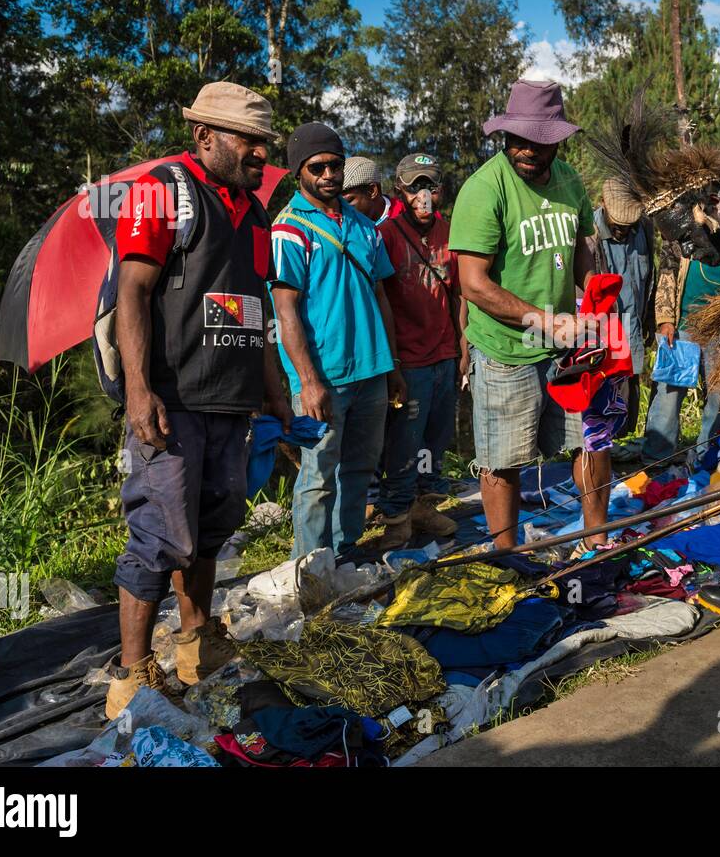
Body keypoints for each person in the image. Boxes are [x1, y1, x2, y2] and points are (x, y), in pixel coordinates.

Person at [106, 81, 292, 718]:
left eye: (264, 143)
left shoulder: (257, 214)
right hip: (172, 398)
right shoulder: (163, 192)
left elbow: (258, 306)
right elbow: (133, 292)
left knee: (212, 528)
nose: (259, 154)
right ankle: (130, 675)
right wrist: (139, 392)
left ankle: (196, 641)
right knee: (159, 536)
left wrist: (278, 393)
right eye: (248, 141)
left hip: (231, 400)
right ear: (203, 135)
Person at [449, 79, 602, 550]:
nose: (528, 150)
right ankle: (507, 553)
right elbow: (473, 284)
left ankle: (598, 538)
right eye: (518, 140)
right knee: (504, 458)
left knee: (590, 437)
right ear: (505, 137)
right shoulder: (483, 189)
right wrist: (545, 320)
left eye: (540, 141)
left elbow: (582, 250)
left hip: (564, 343)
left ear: (557, 140)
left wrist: (596, 306)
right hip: (505, 350)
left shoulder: (571, 181)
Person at [270, 123, 406, 559]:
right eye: (317, 167)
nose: (329, 174)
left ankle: (343, 555)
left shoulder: (365, 227)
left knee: (359, 469)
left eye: (335, 164)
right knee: (316, 476)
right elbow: (285, 310)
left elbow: (381, 297)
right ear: (299, 173)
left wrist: (393, 367)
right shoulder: (289, 230)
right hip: (322, 378)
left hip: (371, 371)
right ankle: (309, 566)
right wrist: (307, 382)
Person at [370, 153, 463, 547]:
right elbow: (378, 300)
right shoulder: (385, 236)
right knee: (404, 444)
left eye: (431, 187)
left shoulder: (450, 232)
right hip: (408, 360)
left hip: (445, 355)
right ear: (399, 191)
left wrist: (463, 345)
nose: (423, 197)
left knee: (436, 438)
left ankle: (426, 506)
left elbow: (458, 291)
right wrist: (391, 364)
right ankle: (397, 518)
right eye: (414, 188)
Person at [642, 225, 720, 469]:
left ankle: (706, 456)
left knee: (719, 396)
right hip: (682, 326)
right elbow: (667, 274)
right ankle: (656, 460)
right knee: (668, 393)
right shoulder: (682, 232)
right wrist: (665, 319)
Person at [589, 176, 656, 433]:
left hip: (634, 327)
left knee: (631, 385)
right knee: (605, 395)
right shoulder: (589, 235)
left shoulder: (644, 228)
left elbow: (650, 276)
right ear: (603, 204)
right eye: (617, 225)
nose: (622, 231)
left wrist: (650, 318)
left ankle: (625, 440)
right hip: (603, 335)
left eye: (628, 225)